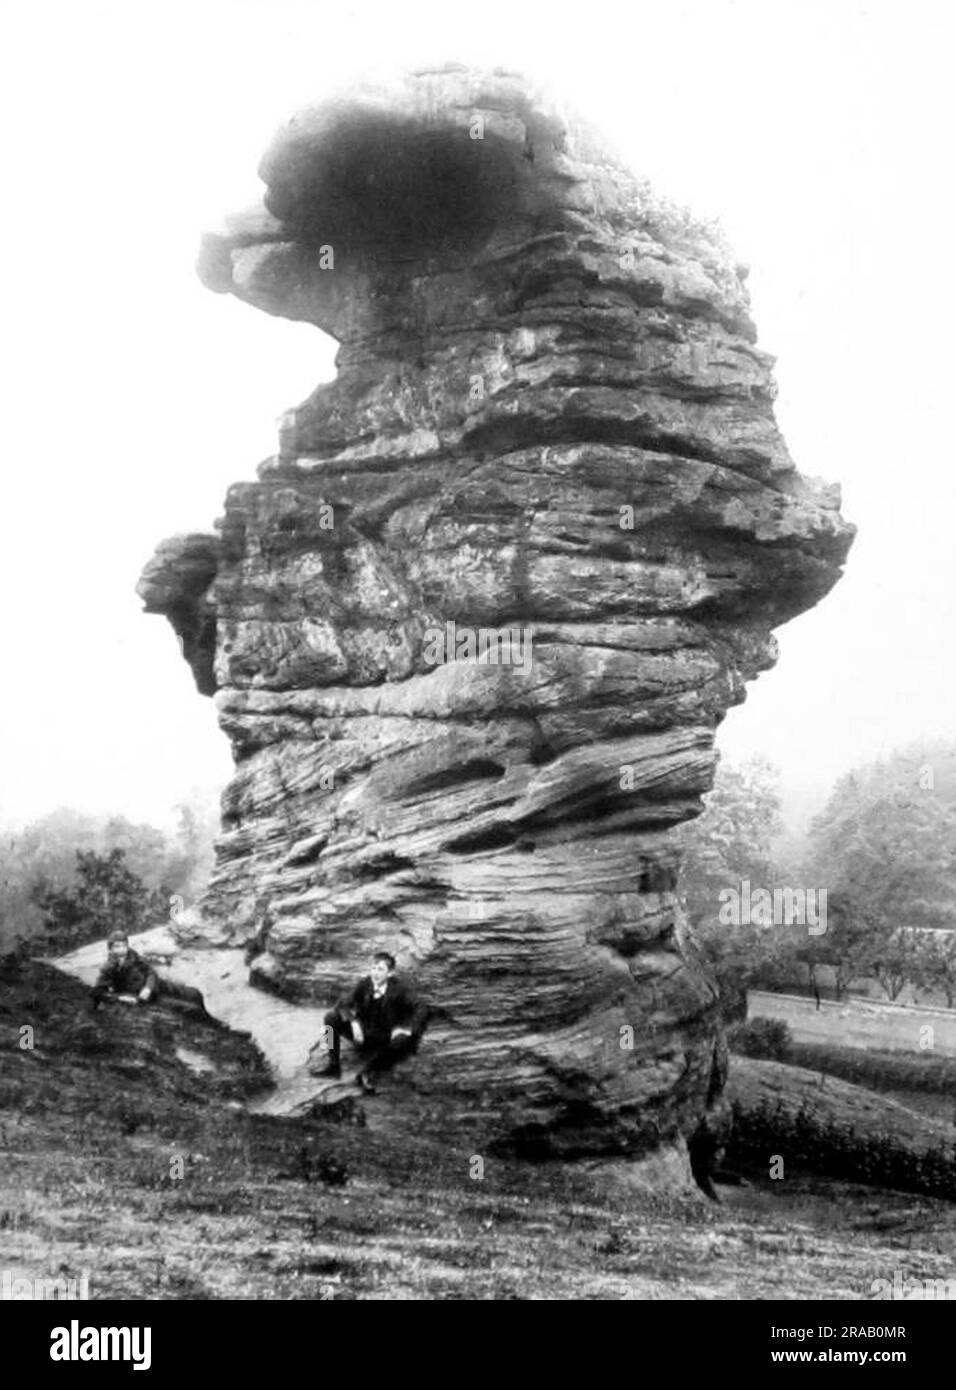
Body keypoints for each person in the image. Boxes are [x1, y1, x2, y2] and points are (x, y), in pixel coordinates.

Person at [315, 951, 428, 1093]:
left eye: (380, 969)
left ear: (390, 973)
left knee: (403, 1040)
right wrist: (354, 1022)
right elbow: (342, 1004)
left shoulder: (399, 989)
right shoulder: (365, 984)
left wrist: (409, 1028)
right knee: (330, 1017)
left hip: (384, 1038)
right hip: (363, 1034)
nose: (375, 973)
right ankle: (333, 1066)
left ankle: (368, 1071)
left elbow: (421, 1007)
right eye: (373, 968)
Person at [90, 931, 208, 1016]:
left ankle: (209, 1017)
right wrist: (121, 997)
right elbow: (98, 992)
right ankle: (214, 1026)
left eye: (124, 946)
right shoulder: (109, 967)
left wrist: (148, 987)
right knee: (191, 1009)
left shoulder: (133, 956)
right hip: (142, 997)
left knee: (194, 993)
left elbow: (150, 971)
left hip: (154, 986)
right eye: (117, 947)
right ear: (110, 949)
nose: (122, 950)